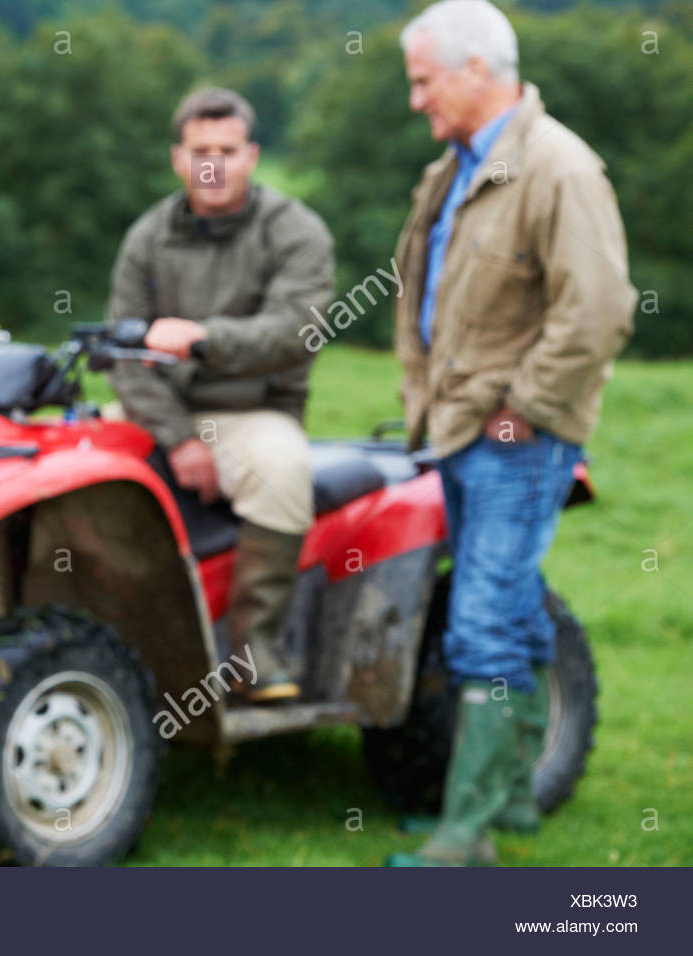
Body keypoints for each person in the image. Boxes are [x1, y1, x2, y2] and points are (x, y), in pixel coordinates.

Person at [386, 0, 635, 866]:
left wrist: (522, 407)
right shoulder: (449, 170)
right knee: (512, 613)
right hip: (457, 434)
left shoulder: (560, 168)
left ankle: (468, 839)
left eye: (424, 80)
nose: (416, 100)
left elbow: (599, 310)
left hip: (516, 443)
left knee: (483, 624)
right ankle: (511, 799)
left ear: (474, 71)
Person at [106, 87, 335, 702]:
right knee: (73, 462)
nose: (214, 164)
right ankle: (99, 637)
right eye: (200, 150)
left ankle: (252, 653)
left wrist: (204, 339)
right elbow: (122, 356)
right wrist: (177, 438)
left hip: (252, 411)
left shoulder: (295, 231)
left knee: (283, 470)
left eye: (227, 150)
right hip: (158, 413)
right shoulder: (148, 236)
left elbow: (297, 330)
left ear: (252, 155)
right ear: (179, 158)